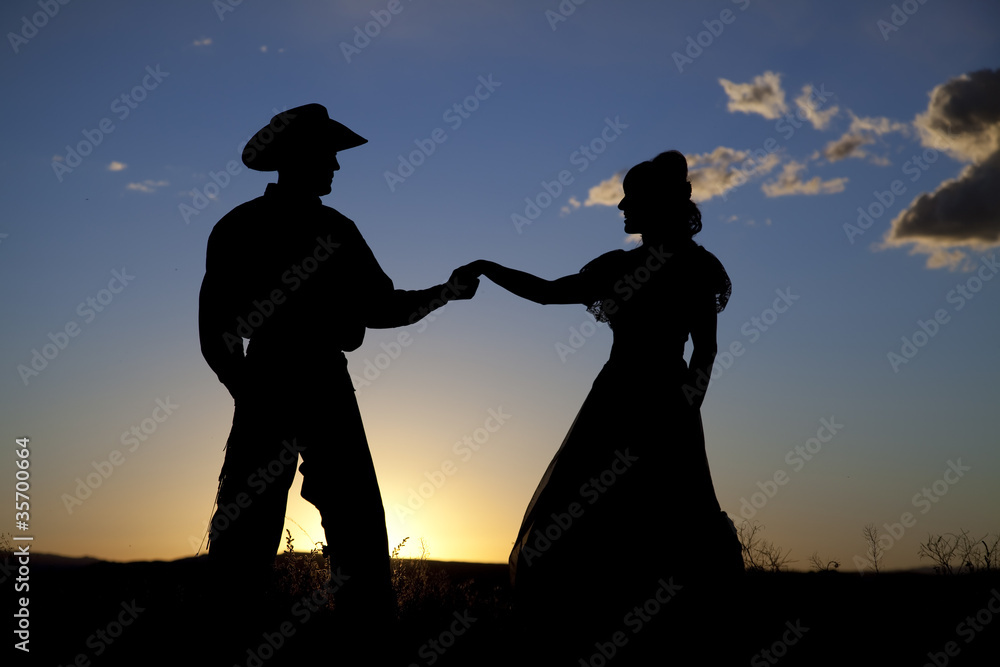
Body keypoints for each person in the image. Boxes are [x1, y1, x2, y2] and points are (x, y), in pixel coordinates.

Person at [197, 104, 478, 650]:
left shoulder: (261, 226)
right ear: (299, 158)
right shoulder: (308, 229)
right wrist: (252, 394)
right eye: (328, 155)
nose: (336, 167)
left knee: (316, 528)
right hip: (309, 383)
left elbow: (218, 334)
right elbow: (379, 308)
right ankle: (354, 646)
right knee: (330, 529)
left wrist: (443, 294)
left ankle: (276, 643)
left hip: (300, 382)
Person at [465, 150, 744, 663]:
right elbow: (549, 293)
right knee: (594, 515)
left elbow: (706, 348)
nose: (620, 206)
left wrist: (685, 409)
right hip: (623, 400)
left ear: (655, 204)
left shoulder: (694, 268)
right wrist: (488, 267)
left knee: (655, 518)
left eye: (631, 198)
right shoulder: (622, 268)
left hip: (657, 402)